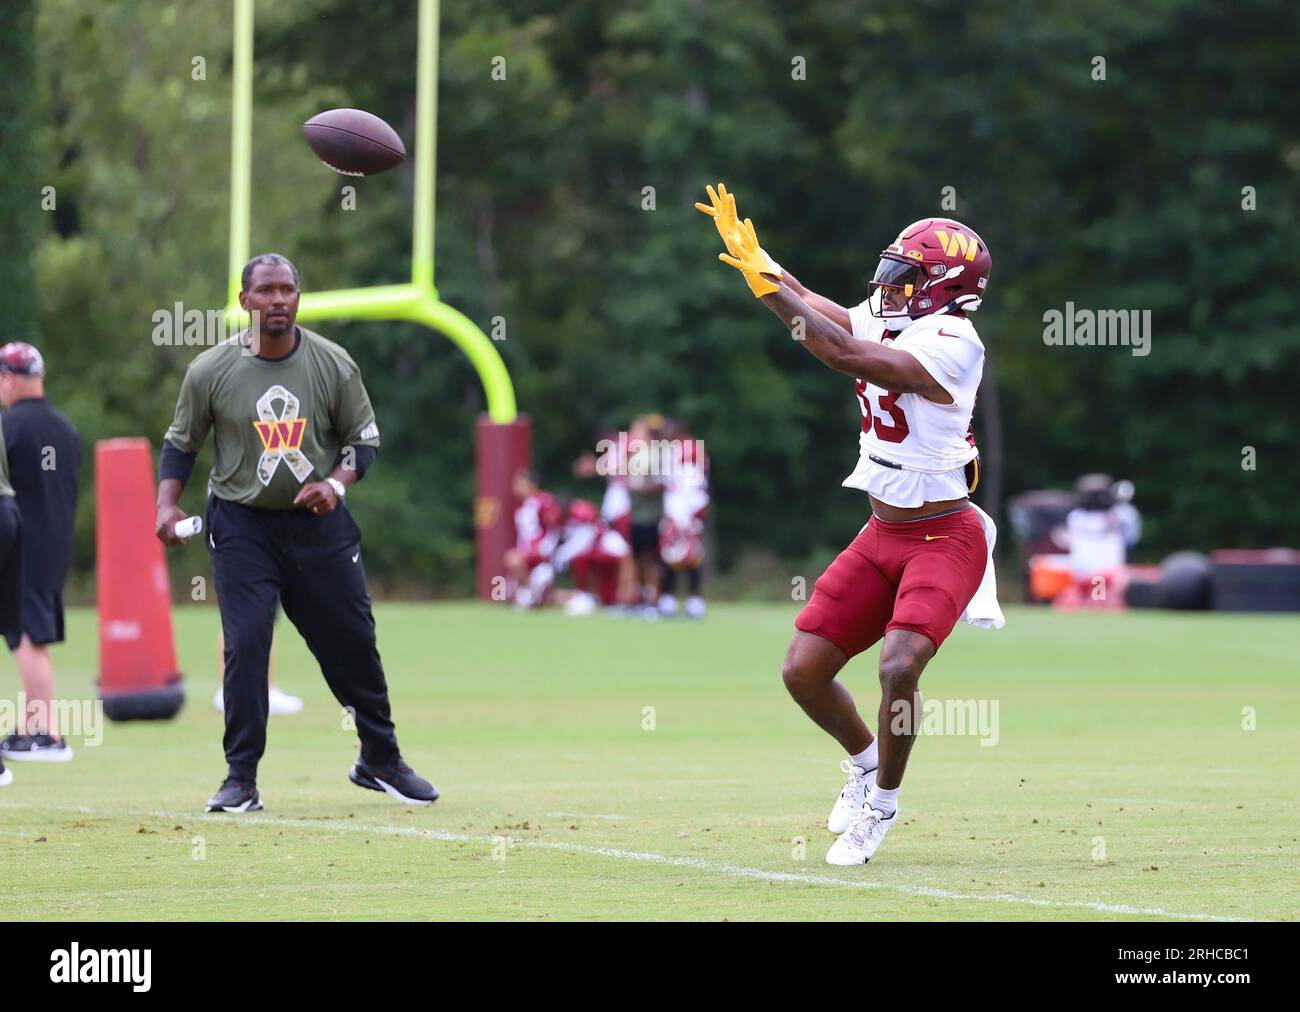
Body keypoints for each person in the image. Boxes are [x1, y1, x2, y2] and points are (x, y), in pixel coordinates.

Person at [698, 185, 1003, 864]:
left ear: (946, 289)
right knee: (802, 671)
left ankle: (884, 806)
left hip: (944, 535)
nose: (892, 288)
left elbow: (844, 353)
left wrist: (762, 289)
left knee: (899, 665)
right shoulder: (898, 315)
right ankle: (863, 765)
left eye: (908, 277)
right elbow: (823, 310)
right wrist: (759, 258)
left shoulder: (955, 340)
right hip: (881, 532)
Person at [156, 253, 438, 813]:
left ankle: (379, 757)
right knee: (248, 643)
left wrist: (334, 484)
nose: (279, 299)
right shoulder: (211, 370)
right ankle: (241, 778)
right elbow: (182, 443)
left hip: (318, 524)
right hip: (242, 524)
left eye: (288, 289)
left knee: (352, 640)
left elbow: (364, 440)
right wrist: (165, 504)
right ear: (245, 302)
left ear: (299, 298)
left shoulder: (333, 363)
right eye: (266, 290)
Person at [0, 342, 80, 763]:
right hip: (55, 542)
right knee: (35, 637)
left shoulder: (10, 427)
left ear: (9, 379)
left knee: (24, 636)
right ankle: (34, 727)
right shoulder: (64, 427)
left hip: (21, 543)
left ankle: (46, 733)